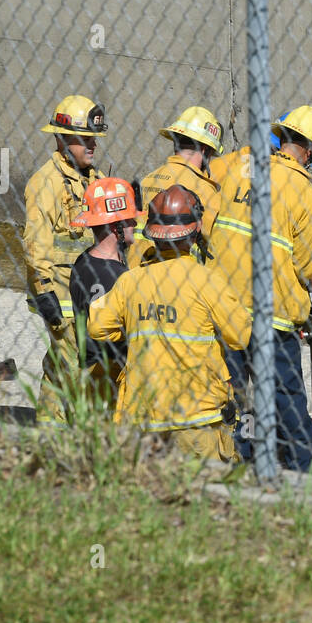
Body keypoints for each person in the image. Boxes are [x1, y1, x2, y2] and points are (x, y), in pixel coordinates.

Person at [87, 186, 250, 460]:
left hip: (145, 415)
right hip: (197, 417)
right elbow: (240, 336)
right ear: (195, 230)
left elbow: (97, 326)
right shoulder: (207, 280)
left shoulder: (131, 280)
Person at [210, 105, 312, 471]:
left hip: (225, 305)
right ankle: (306, 467)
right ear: (308, 151)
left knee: (232, 390)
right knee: (286, 395)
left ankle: (237, 458)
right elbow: (309, 265)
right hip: (271, 315)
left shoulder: (241, 169)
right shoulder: (303, 190)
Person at [23, 94, 107, 426]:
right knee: (73, 365)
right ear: (62, 138)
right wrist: (44, 295)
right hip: (60, 297)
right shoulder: (46, 183)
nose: (92, 146)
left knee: (64, 365)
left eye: (94, 139)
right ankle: (67, 431)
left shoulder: (94, 180)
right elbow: (35, 245)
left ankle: (51, 426)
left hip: (90, 293)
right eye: (84, 139)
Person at [69, 177, 138, 409]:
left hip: (88, 373)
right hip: (109, 376)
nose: (135, 224)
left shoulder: (83, 261)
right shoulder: (115, 278)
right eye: (129, 219)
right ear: (114, 225)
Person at [129, 106, 225, 269]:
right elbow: (213, 247)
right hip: (179, 279)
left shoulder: (148, 180)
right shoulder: (204, 191)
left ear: (176, 142)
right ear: (205, 150)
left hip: (136, 275)